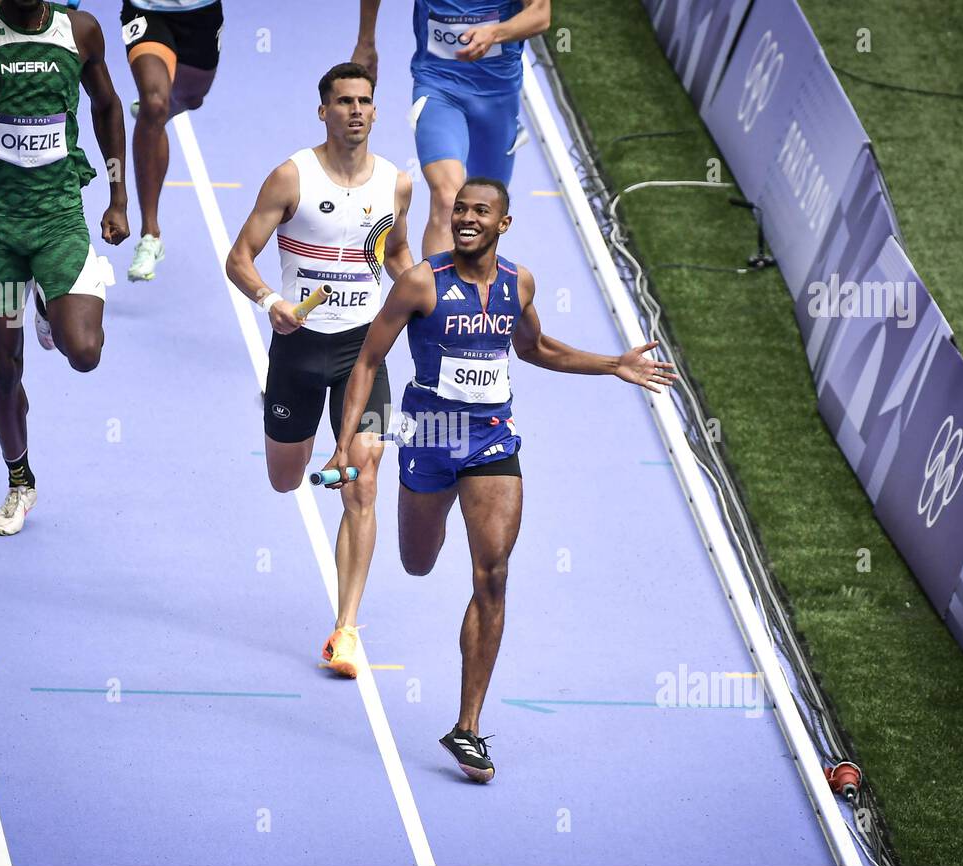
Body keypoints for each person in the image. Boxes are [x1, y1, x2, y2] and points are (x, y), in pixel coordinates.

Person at [322, 178, 677, 781]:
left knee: (492, 575)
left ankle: (467, 729)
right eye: (460, 209)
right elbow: (369, 360)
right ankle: (432, 519)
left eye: (480, 211)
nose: (466, 217)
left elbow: (536, 349)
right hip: (428, 439)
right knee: (417, 561)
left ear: (502, 224)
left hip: (490, 440)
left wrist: (612, 363)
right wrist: (342, 445)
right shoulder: (420, 284)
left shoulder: (519, 284)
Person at [225, 63, 415, 677]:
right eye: (344, 101)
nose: (356, 110)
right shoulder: (291, 177)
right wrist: (270, 302)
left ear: (375, 111)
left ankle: (346, 629)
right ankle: (294, 431)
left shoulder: (395, 184)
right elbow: (239, 257)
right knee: (285, 477)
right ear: (323, 110)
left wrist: (423, 292)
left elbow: (397, 253)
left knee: (364, 479)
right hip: (299, 349)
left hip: (364, 351)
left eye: (365, 101)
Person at [0, 0, 129, 535]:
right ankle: (20, 481)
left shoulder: (80, 30)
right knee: (4, 367)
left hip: (57, 218)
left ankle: (47, 302)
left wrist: (118, 197)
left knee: (84, 353)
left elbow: (108, 106)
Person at [351, 0, 551, 257]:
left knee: (486, 208)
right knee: (448, 199)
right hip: (438, 84)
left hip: (498, 95)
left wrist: (495, 33)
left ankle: (470, 280)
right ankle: (439, 284)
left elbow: (540, 14)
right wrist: (365, 41)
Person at [119, 0, 225, 281]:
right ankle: (150, 235)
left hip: (200, 11)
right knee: (154, 103)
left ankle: (156, 115)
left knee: (192, 98)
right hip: (147, 9)